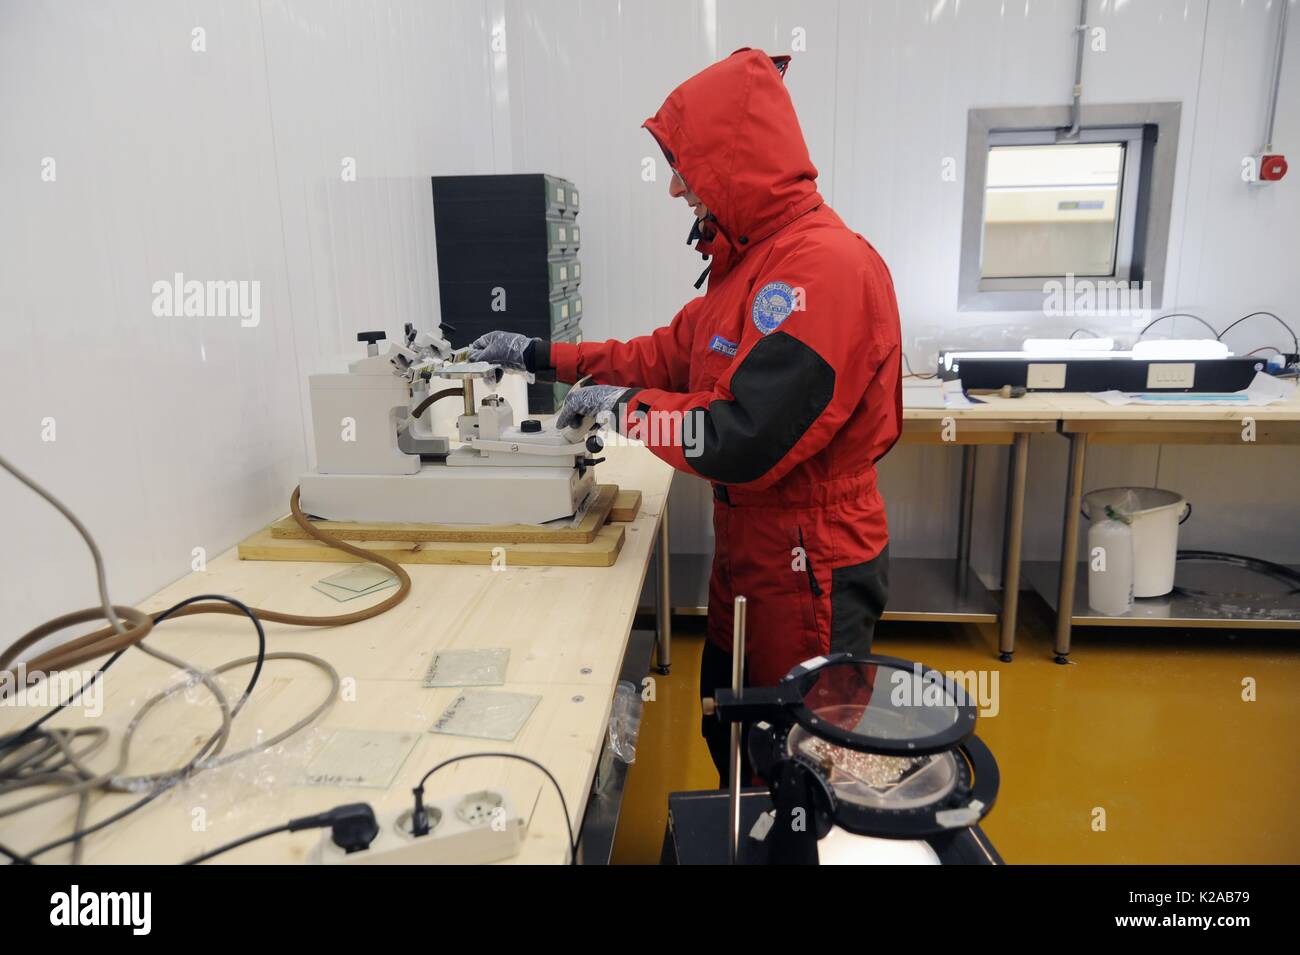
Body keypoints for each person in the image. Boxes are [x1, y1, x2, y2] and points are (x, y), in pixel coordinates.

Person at [469, 48, 902, 783]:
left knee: (799, 756)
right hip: (753, 546)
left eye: (684, 167)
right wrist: (542, 355)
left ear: (735, 164)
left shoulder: (823, 268)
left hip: (810, 557)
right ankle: (741, 829)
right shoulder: (751, 267)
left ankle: (784, 834)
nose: (674, 187)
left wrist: (627, 411)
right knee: (733, 724)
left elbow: (739, 436)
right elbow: (661, 357)